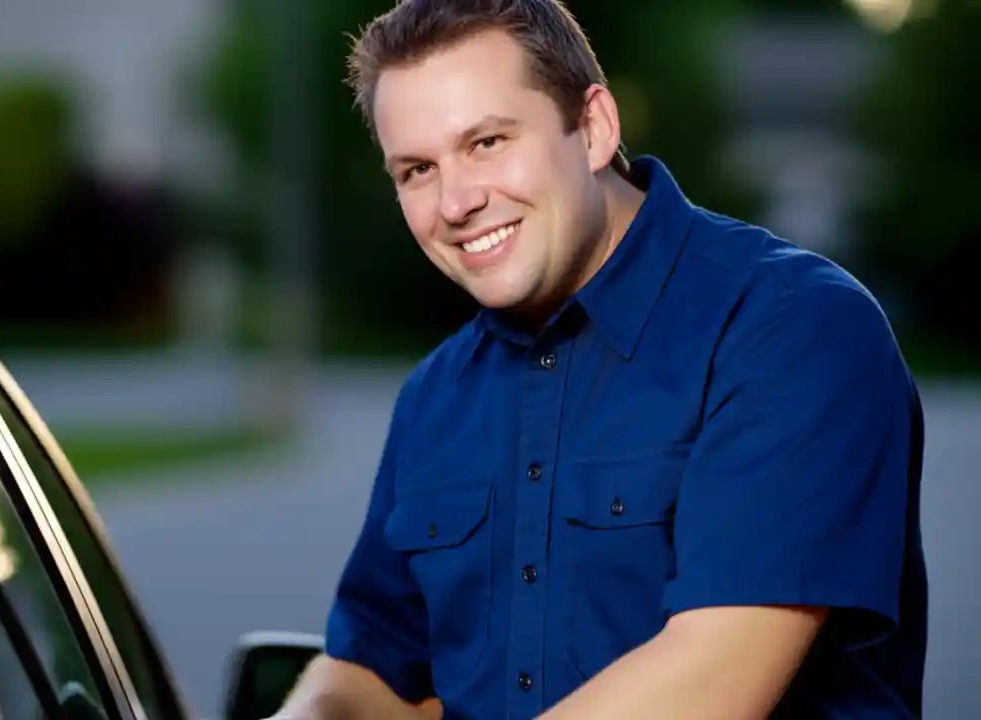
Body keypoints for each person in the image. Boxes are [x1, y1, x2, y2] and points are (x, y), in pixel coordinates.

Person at [273, 1, 928, 718]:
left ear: (593, 127)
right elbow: (371, 672)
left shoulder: (793, 328)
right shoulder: (435, 394)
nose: (456, 201)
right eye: (417, 169)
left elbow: (711, 683)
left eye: (487, 142)